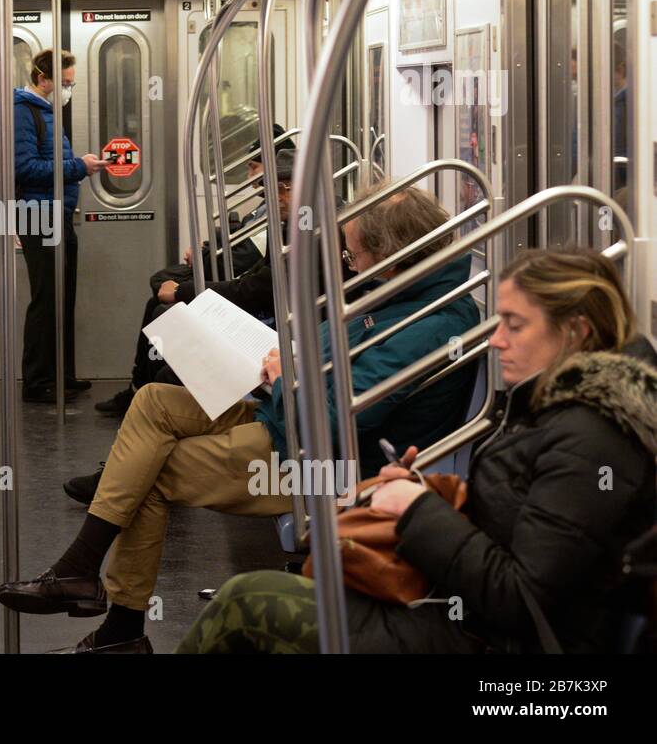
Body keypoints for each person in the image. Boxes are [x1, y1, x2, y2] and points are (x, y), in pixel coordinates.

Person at [0, 187, 480, 653]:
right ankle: (80, 570)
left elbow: (335, 422)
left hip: (318, 458)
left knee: (150, 475)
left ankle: (118, 624)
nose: (352, 267)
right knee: (153, 401)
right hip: (289, 417)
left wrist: (283, 380)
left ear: (392, 253)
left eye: (354, 256)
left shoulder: (430, 323)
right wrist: (288, 364)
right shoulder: (404, 292)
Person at [180, 248, 657, 654]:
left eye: (514, 325)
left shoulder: (592, 439)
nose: (495, 341)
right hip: (461, 605)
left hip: (487, 637)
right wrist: (418, 491)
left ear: (575, 333)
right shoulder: (551, 405)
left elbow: (522, 600)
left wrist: (417, 509)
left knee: (245, 601)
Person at [95, 147, 296, 420]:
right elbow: (258, 274)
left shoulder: (306, 230)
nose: (277, 197)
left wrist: (184, 292)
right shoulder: (286, 223)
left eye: (283, 188)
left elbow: (255, 282)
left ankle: (150, 412)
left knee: (167, 335)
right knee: (161, 304)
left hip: (268, 320)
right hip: (257, 302)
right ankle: (139, 390)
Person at [0, 49, 108, 403]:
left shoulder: (45, 111)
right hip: (36, 213)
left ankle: (61, 373)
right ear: (43, 79)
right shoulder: (21, 113)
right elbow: (23, 169)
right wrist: (78, 167)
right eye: (64, 83)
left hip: (56, 213)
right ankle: (36, 380)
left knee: (63, 295)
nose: (67, 90)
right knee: (46, 298)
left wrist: (75, 167)